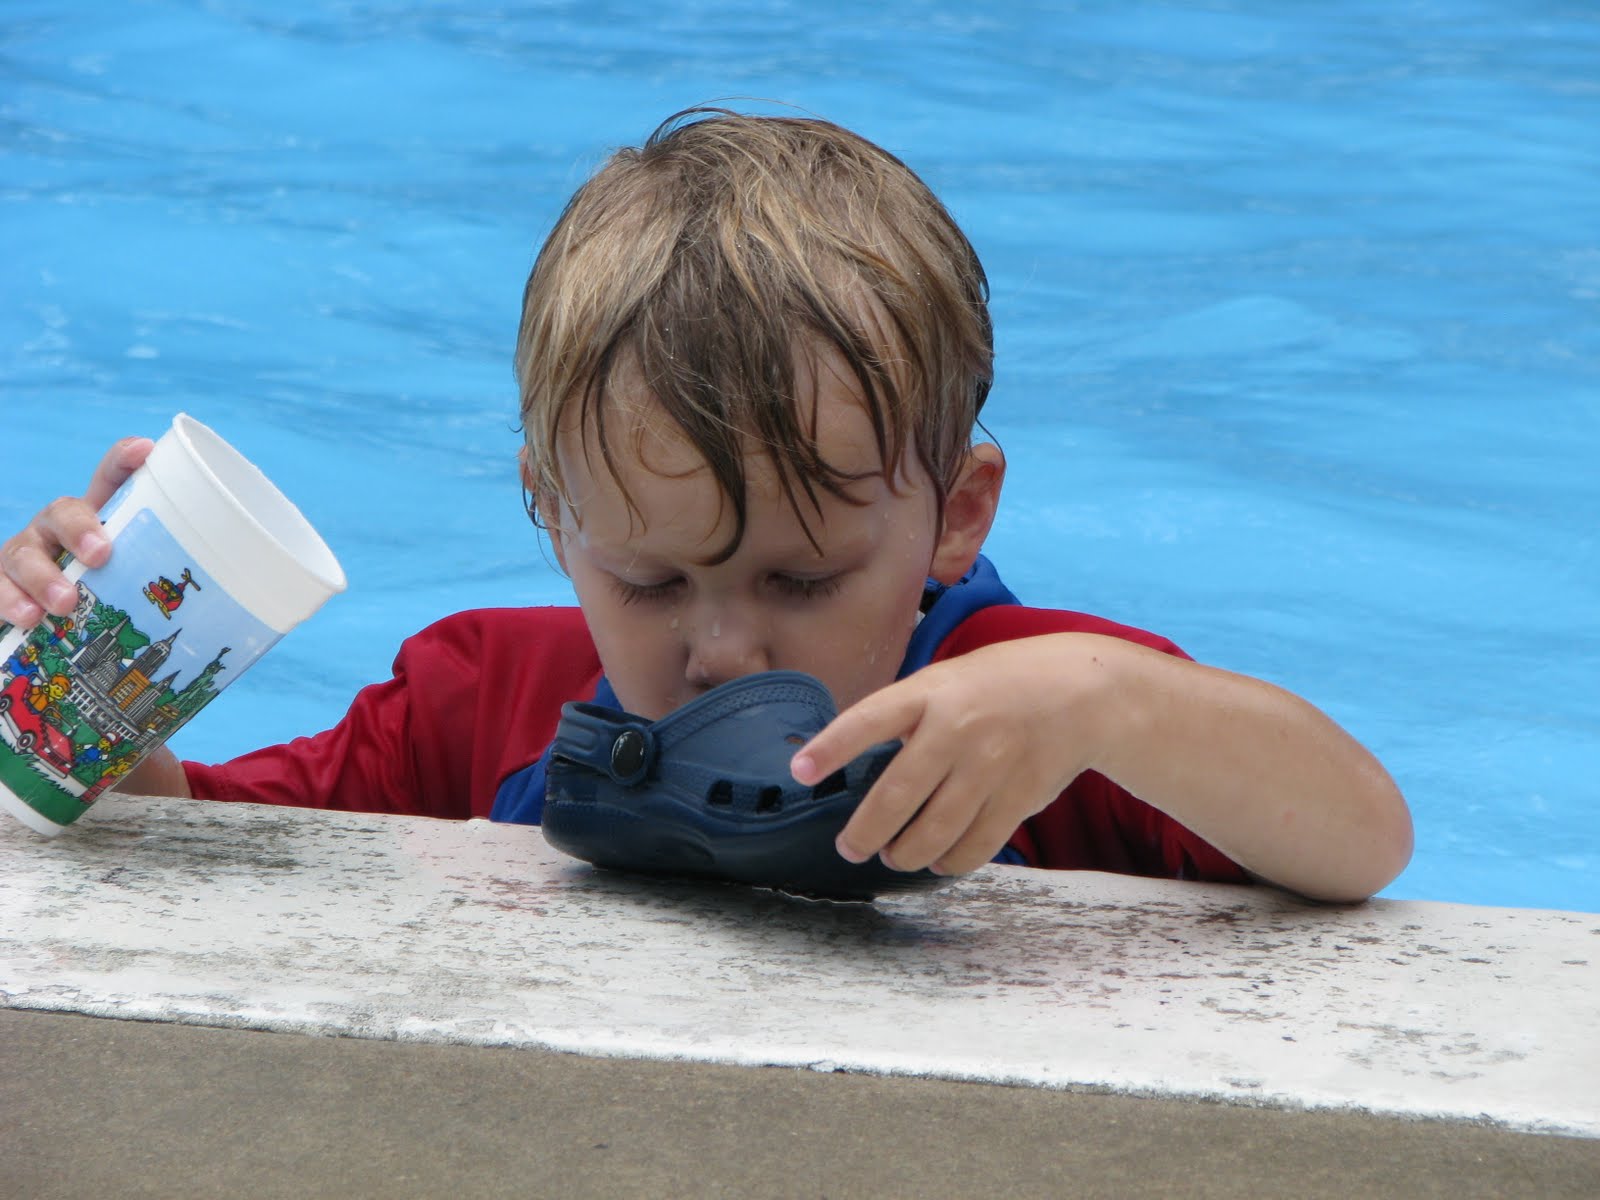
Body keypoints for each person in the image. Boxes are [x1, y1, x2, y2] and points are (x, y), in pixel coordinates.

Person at [0, 108, 1411, 902]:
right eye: (653, 582)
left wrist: (1118, 704)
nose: (722, 647)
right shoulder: (476, 701)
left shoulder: (1026, 711)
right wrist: (86, 667)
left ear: (956, 514)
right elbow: (178, 842)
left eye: (806, 582)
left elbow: (1362, 841)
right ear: (554, 515)